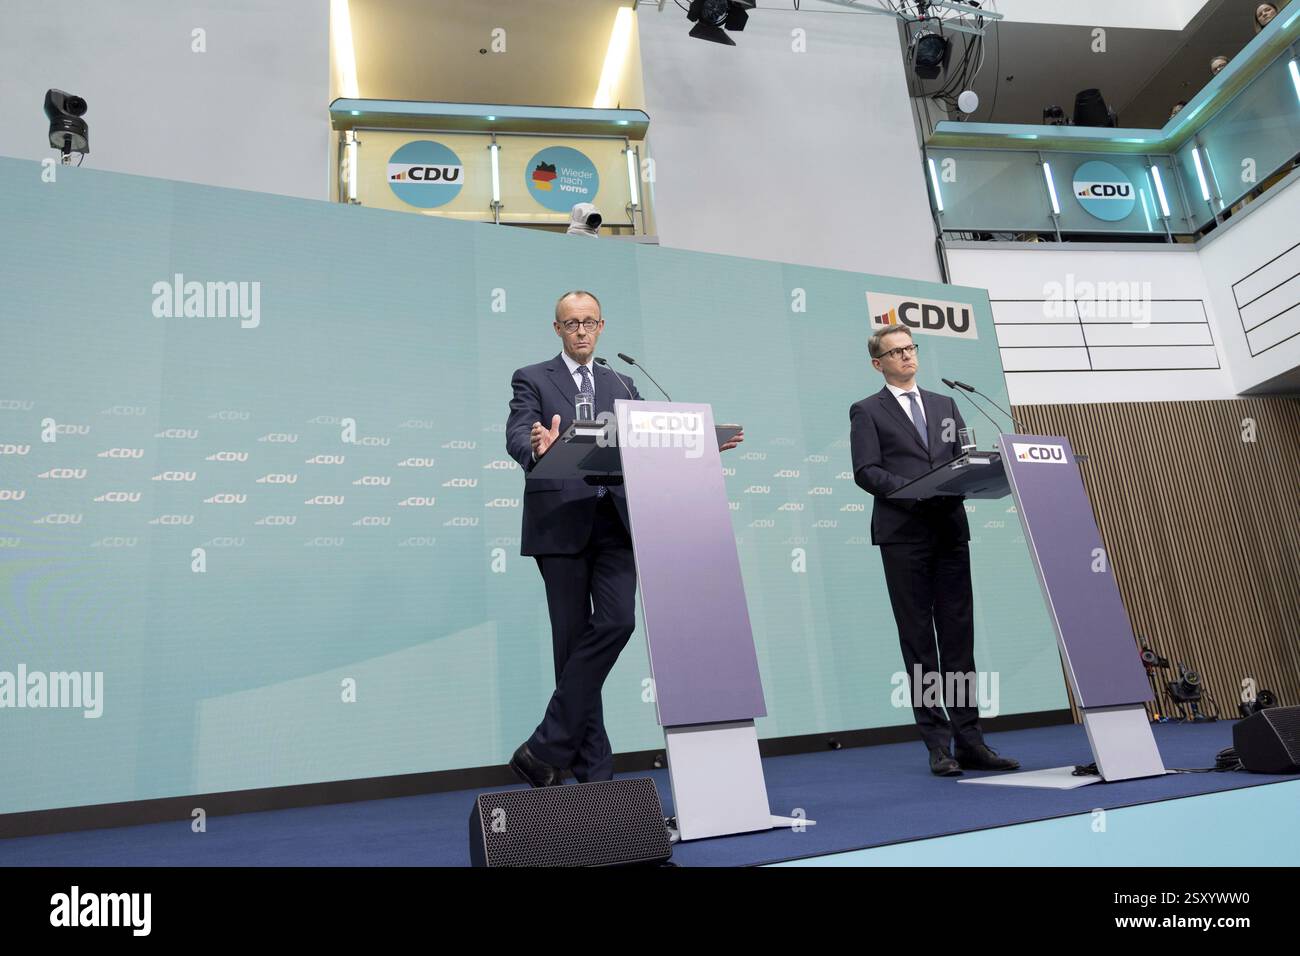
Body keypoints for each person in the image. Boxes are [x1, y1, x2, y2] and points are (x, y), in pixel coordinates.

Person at [505, 289, 741, 787]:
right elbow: (518, 432)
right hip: (561, 524)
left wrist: (701, 447)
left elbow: (652, 441)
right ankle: (596, 780)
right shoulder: (532, 378)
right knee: (571, 649)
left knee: (617, 623)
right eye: (572, 323)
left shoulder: (623, 382)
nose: (582, 331)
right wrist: (535, 445)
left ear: (602, 326)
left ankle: (545, 747)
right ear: (557, 330)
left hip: (616, 524)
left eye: (590, 322)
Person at [848, 324, 1020, 777]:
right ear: (878, 363)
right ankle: (937, 745)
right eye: (896, 351)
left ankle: (971, 741)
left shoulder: (946, 404)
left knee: (959, 641)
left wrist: (973, 473)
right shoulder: (867, 411)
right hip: (903, 535)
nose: (906, 356)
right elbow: (866, 471)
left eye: (910, 348)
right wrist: (916, 490)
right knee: (920, 644)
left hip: (948, 532)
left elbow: (962, 457)